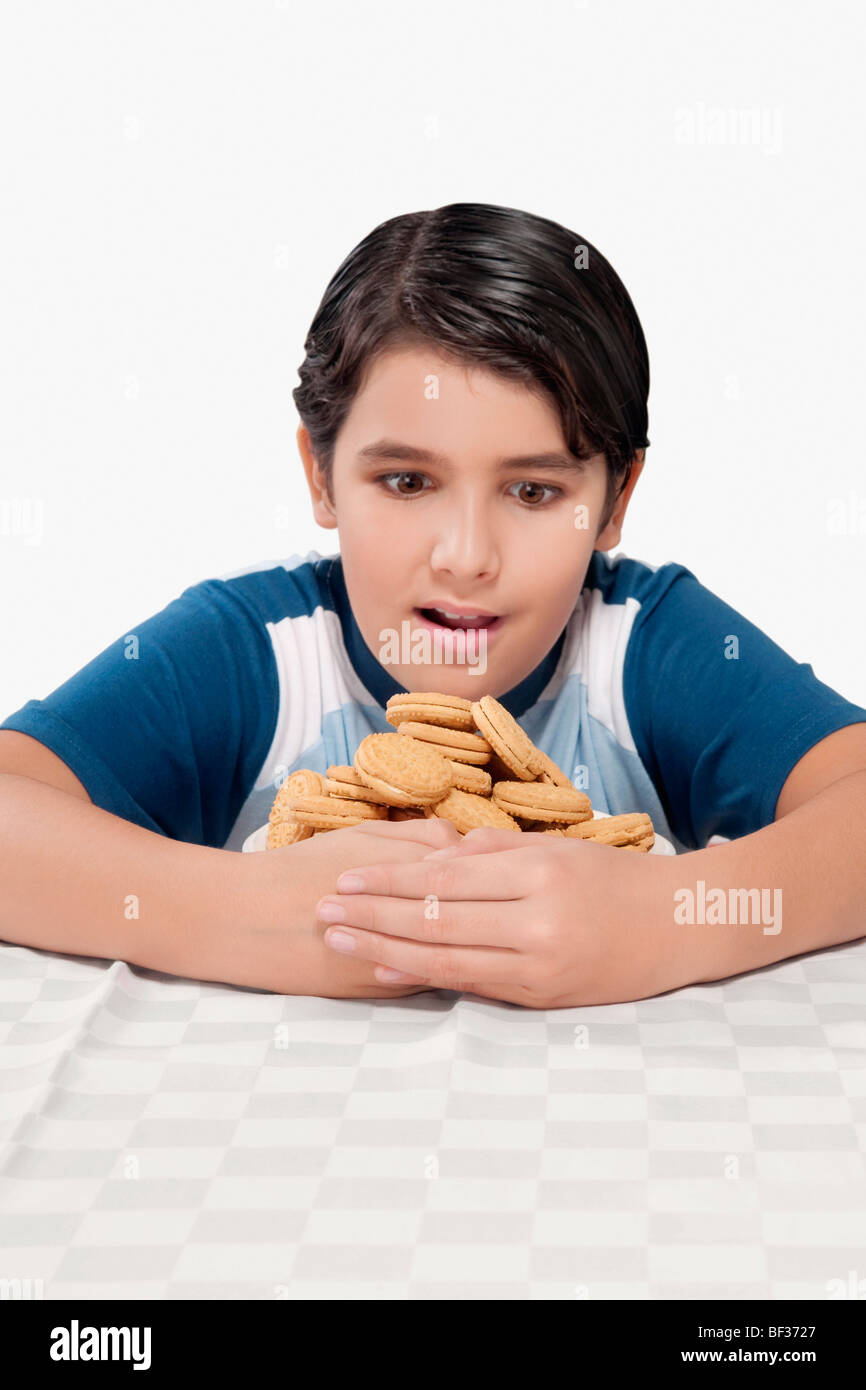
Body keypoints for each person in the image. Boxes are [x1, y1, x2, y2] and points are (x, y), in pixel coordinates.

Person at [3, 202, 865, 1008]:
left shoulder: (643, 644)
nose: (465, 556)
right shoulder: (257, 653)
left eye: (532, 491)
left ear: (615, 498)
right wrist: (245, 915)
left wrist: (664, 919)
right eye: (407, 481)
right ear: (320, 474)